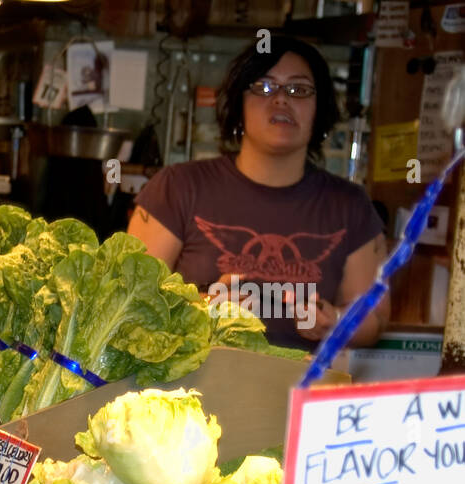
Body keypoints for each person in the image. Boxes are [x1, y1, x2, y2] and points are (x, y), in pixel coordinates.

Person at [128, 37, 388, 349]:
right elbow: (130, 299)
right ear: (239, 107)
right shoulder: (176, 188)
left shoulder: (351, 206)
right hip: (193, 390)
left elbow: (375, 319)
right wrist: (201, 308)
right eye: (264, 87)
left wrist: (334, 321)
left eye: (299, 89)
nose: (281, 100)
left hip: (297, 390)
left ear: (320, 112)